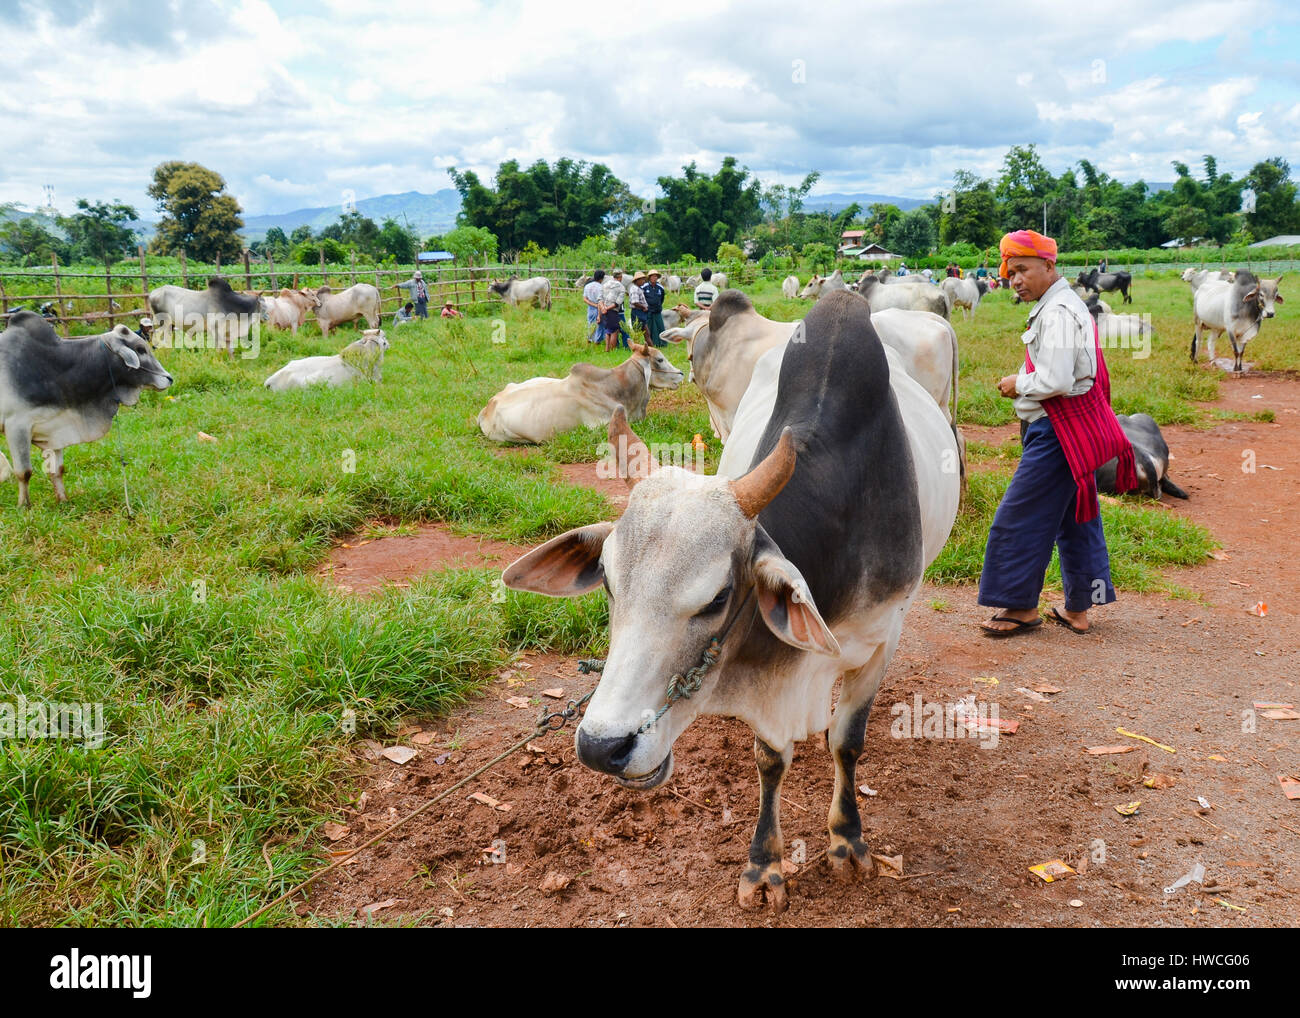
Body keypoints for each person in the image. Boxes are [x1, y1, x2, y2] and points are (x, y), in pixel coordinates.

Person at [978, 229, 1138, 638]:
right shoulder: (1064, 305)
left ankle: (1020, 607)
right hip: (1069, 428)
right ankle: (1078, 610)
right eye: (1010, 272)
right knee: (1076, 516)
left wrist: (1018, 382)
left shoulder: (1058, 313)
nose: (1015, 280)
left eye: (1023, 270)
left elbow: (1056, 380)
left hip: (1058, 431)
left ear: (1049, 266)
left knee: (1018, 517)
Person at [601, 269, 631, 351]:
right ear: (620, 277)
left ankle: (608, 349)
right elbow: (618, 302)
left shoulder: (605, 285)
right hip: (615, 311)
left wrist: (604, 308)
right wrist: (608, 308)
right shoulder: (621, 287)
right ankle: (617, 349)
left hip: (605, 311)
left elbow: (601, 299)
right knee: (617, 330)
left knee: (608, 331)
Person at [642, 269, 667, 347]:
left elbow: (662, 298)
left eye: (656, 276)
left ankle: (662, 343)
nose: (654, 278)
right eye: (652, 276)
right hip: (648, 311)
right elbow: (642, 298)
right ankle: (651, 343)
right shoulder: (645, 287)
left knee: (660, 327)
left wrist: (659, 305)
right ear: (649, 278)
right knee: (649, 328)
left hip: (657, 311)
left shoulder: (660, 287)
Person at [583, 269, 606, 343]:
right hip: (599, 308)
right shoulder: (601, 287)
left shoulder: (587, 286)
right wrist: (597, 306)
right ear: (601, 278)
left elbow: (585, 299)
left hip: (590, 308)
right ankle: (597, 341)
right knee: (600, 325)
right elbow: (600, 301)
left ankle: (589, 339)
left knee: (590, 323)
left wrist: (593, 305)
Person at [627, 271, 650, 339]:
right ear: (637, 280)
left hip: (640, 311)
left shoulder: (638, 288)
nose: (643, 281)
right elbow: (635, 302)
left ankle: (647, 348)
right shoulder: (634, 289)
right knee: (645, 333)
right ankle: (650, 348)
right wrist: (644, 307)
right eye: (642, 279)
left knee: (645, 333)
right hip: (638, 312)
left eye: (644, 279)